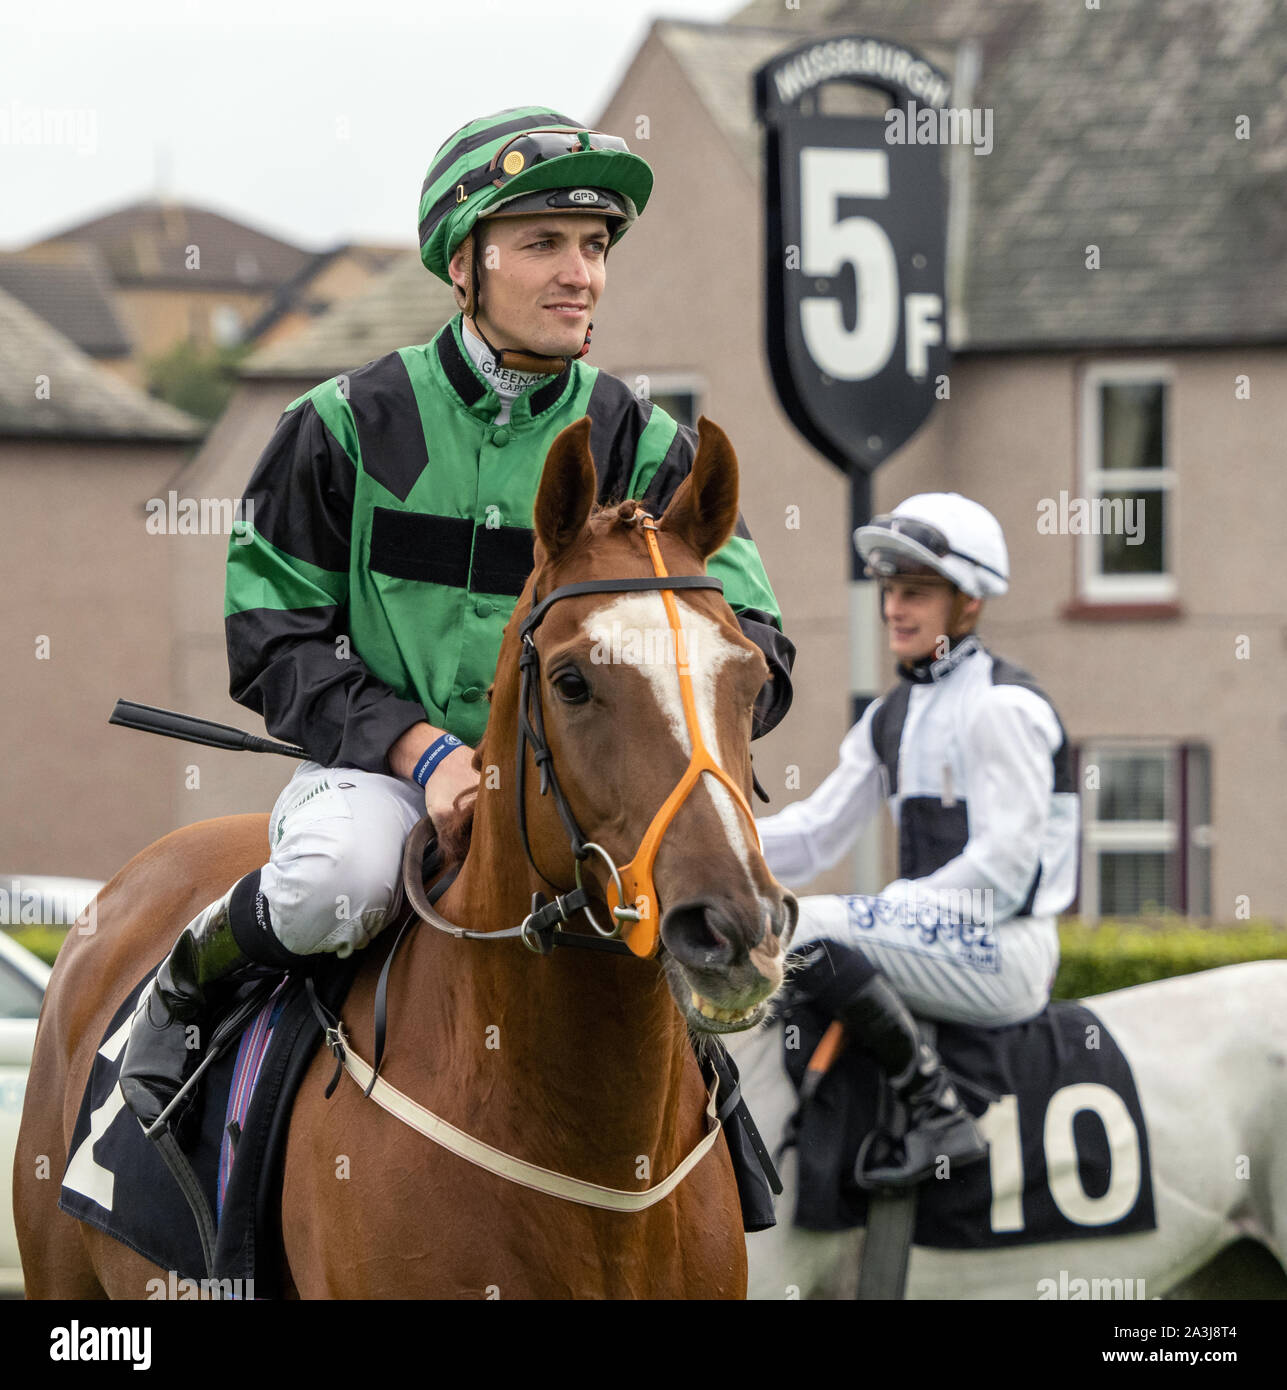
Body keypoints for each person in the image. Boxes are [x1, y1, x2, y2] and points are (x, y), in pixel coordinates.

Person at [119, 106, 795, 1134]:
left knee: (748, 915)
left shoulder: (650, 449)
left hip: (597, 797)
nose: (582, 275)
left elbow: (760, 647)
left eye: (595, 246)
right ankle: (184, 988)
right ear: (464, 264)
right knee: (330, 886)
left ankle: (723, 1157)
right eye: (543, 245)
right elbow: (271, 636)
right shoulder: (340, 427)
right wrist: (423, 750)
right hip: (385, 777)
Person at [756, 493, 1078, 1186]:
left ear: (969, 602)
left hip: (1006, 950)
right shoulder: (890, 713)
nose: (894, 609)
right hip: (936, 938)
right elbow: (814, 834)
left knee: (805, 922)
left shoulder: (1003, 706)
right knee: (794, 917)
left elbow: (1004, 872)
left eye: (917, 593)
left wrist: (892, 909)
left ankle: (938, 1113)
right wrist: (705, 844)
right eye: (890, 590)